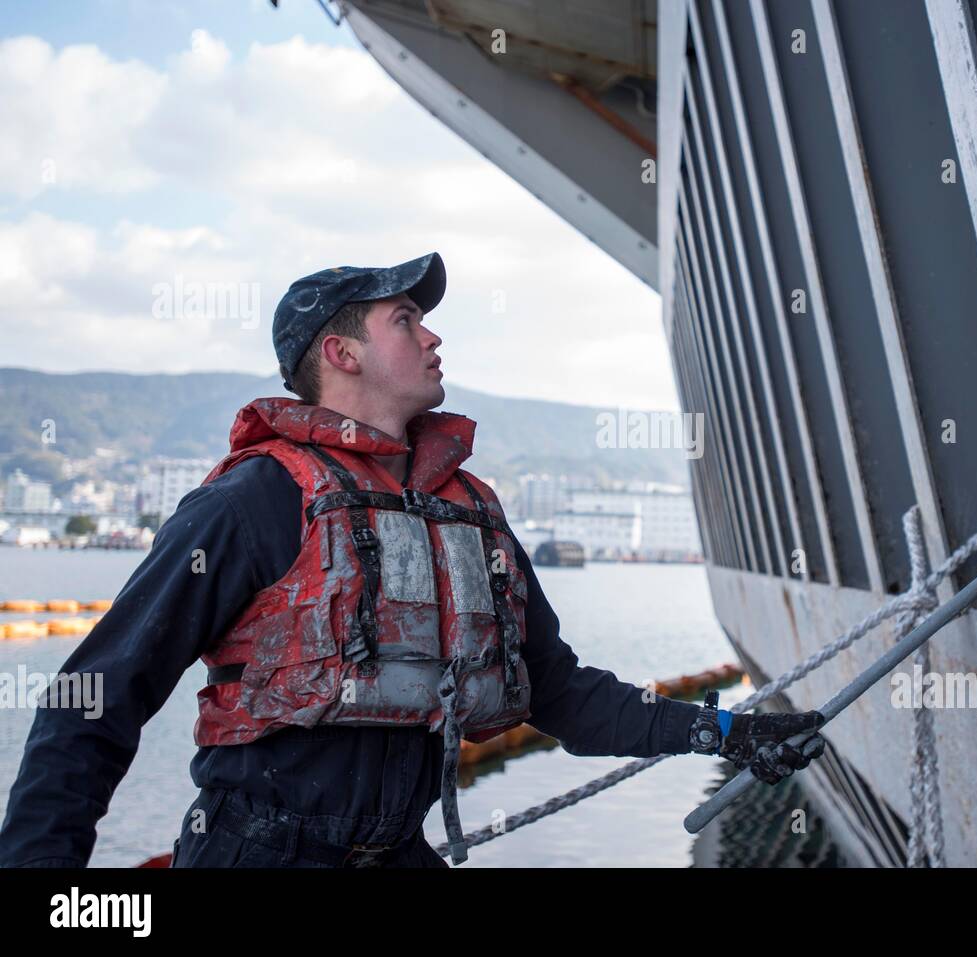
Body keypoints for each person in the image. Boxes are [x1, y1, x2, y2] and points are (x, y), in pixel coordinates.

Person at [0, 252, 827, 869]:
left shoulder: (468, 508)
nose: (432, 334)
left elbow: (559, 689)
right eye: (405, 319)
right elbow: (95, 697)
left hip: (397, 851)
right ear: (342, 353)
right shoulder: (254, 500)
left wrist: (724, 729)